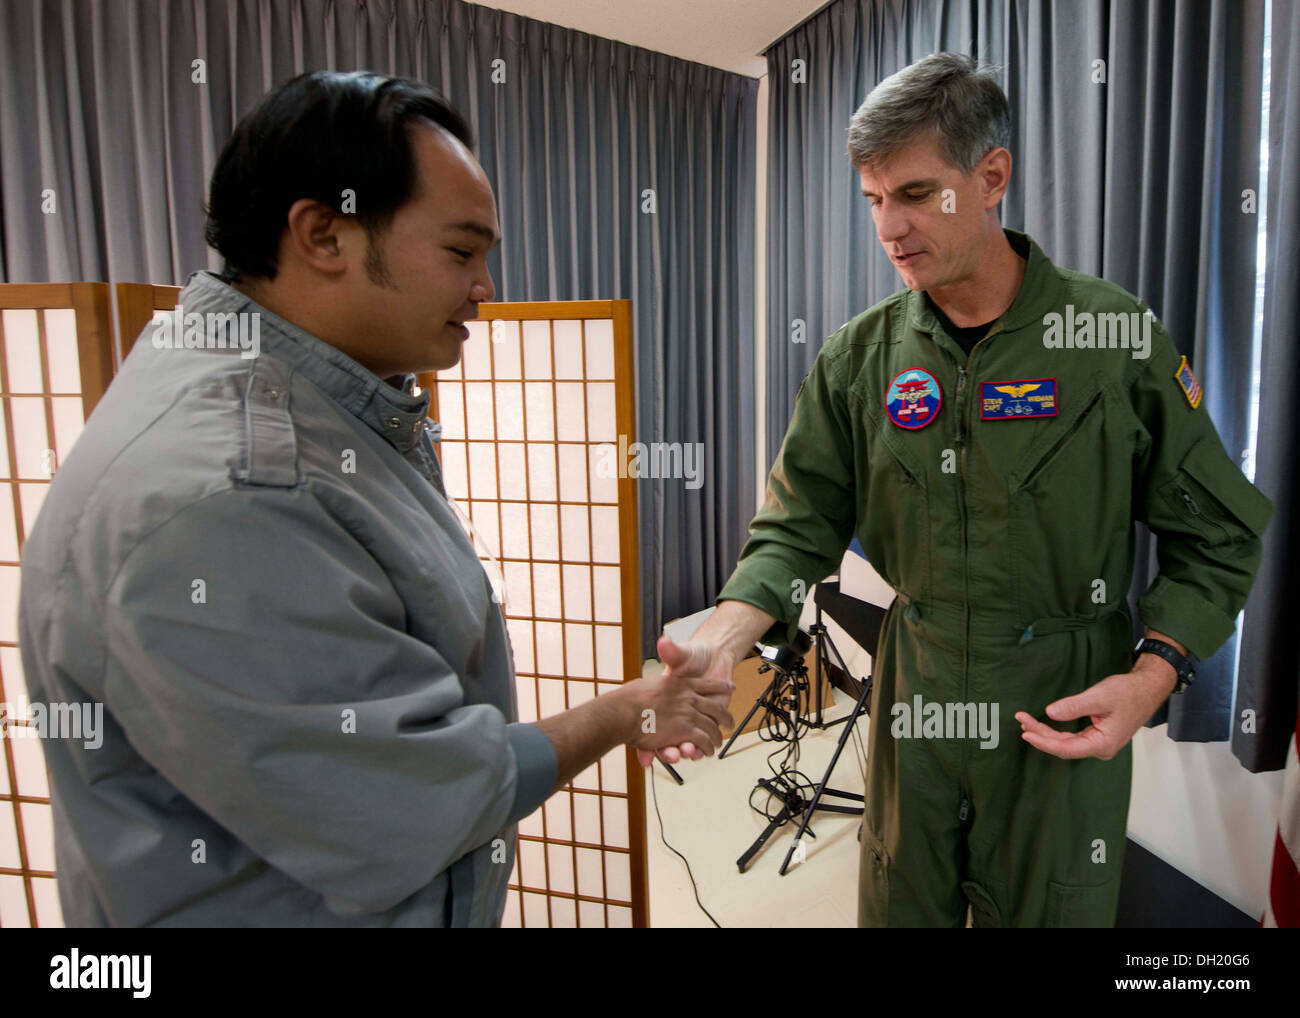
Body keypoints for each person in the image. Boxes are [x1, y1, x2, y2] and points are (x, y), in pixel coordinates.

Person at [18, 70, 733, 928]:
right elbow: (415, 797)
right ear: (324, 233)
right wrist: (623, 709)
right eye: (463, 252)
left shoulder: (317, 404)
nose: (488, 287)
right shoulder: (225, 493)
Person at [649, 53, 1272, 926]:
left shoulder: (1108, 342)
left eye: (913, 193)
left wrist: (1152, 675)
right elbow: (796, 526)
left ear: (992, 178)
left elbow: (1220, 533)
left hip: (1061, 699)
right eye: (872, 200)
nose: (888, 228)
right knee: (906, 905)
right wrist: (721, 639)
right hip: (920, 692)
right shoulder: (859, 360)